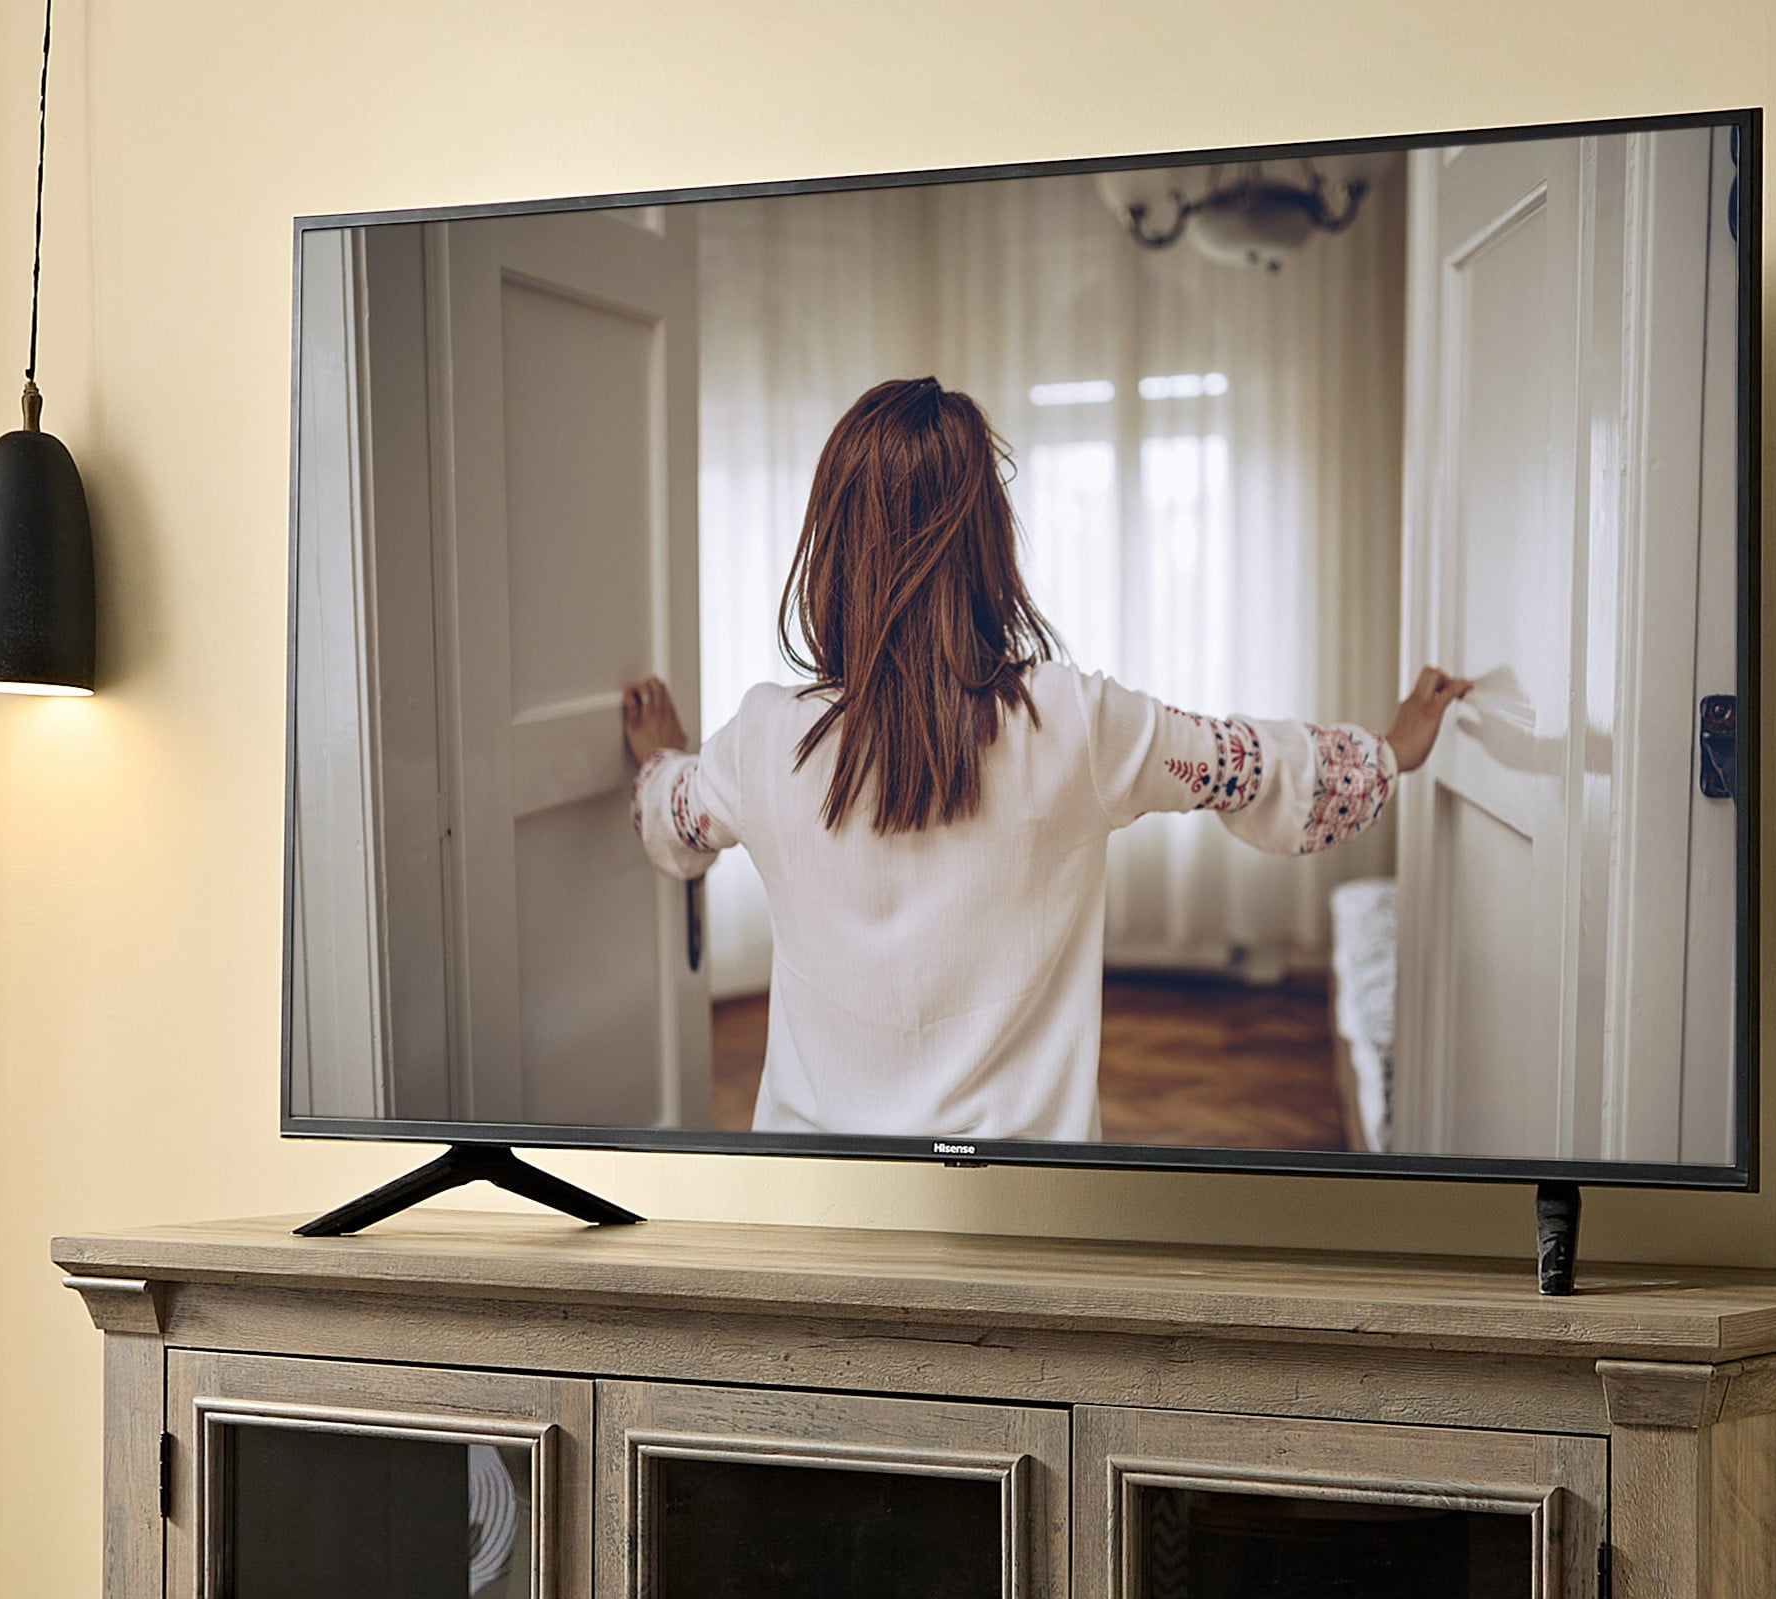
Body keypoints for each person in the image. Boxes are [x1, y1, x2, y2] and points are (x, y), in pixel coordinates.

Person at [625, 376, 1469, 1146]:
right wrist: (1387, 751)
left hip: (814, 1186)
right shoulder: (1073, 722)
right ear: (989, 542)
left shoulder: (763, 737)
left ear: (833, 544)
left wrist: (659, 755)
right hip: (1026, 1197)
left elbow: (673, 823)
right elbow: (1248, 770)